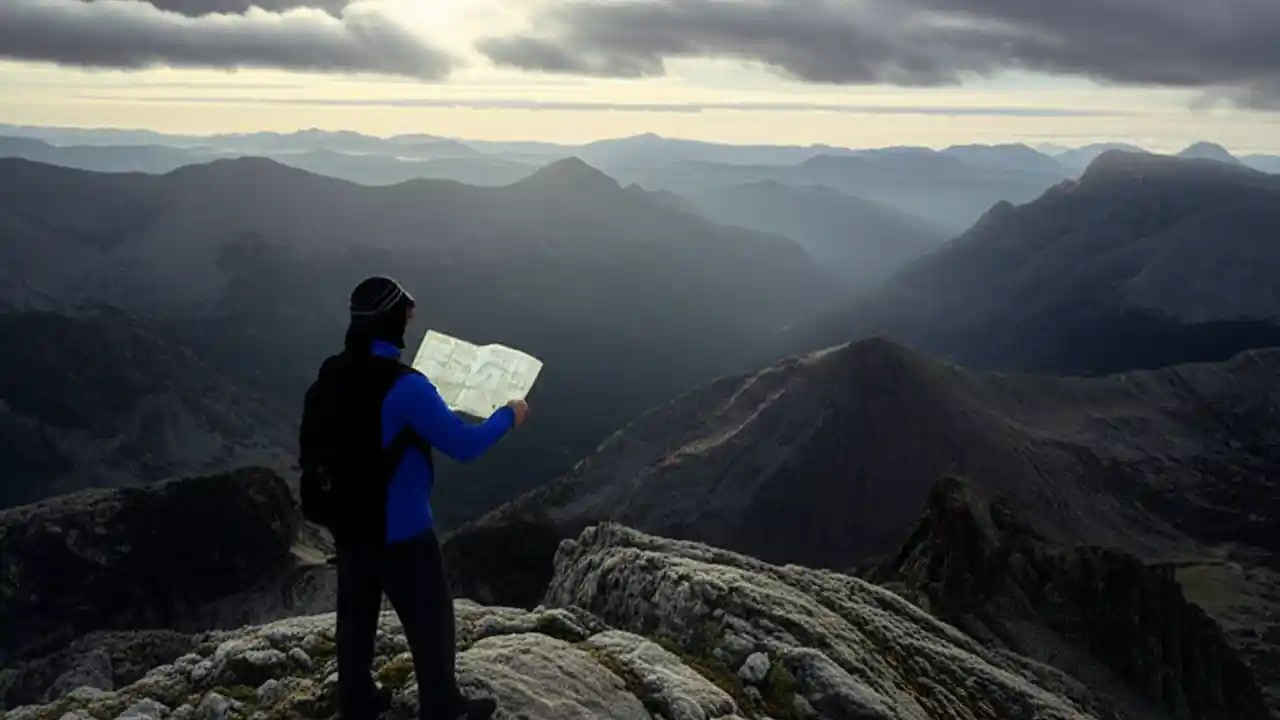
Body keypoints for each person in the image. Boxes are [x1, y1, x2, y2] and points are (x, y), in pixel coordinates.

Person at [301, 276, 528, 720]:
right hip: (400, 527)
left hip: (346, 522)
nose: (412, 316)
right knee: (431, 624)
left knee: (355, 623)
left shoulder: (333, 371)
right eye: (406, 310)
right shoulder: (406, 386)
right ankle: (443, 706)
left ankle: (357, 702)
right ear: (393, 319)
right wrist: (508, 416)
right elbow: (463, 446)